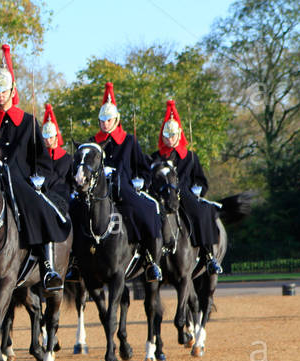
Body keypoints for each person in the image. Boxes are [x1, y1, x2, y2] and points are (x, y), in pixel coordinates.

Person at [0, 45, 70, 290]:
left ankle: (48, 268)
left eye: (3, 91)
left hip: (21, 183)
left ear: (12, 91)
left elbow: (42, 160)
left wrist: (39, 181)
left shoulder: (28, 122)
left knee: (41, 210)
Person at [93, 82, 163, 282]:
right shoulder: (94, 141)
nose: (105, 124)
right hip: (99, 191)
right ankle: (74, 262)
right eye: (102, 120)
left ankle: (151, 259)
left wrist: (141, 181)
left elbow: (142, 167)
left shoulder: (129, 141)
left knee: (148, 209)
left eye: (108, 120)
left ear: (116, 120)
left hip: (124, 188)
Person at [150, 98, 223, 274]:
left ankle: (208, 255)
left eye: (173, 135)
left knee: (202, 212)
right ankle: (148, 258)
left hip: (185, 193)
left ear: (179, 134)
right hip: (161, 195)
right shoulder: (156, 156)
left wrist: (198, 189)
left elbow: (201, 180)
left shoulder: (190, 157)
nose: (170, 139)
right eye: (166, 136)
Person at [38, 101, 73, 200]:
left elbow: (71, 181)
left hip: (62, 197)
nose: (48, 141)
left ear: (56, 137)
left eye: (50, 138)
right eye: (45, 138)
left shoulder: (67, 158)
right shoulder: (38, 158)